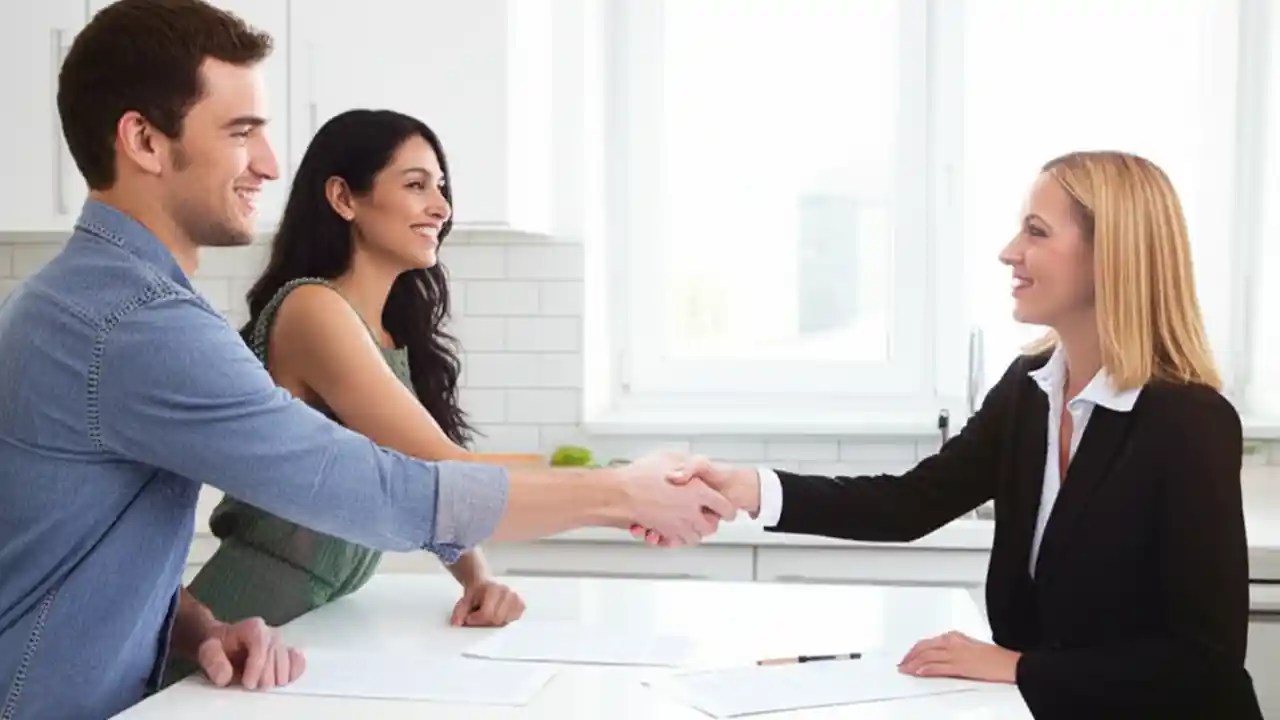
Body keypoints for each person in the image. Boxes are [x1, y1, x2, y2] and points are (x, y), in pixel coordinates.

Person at [0, 2, 732, 718]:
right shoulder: (135, 325)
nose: (268, 162)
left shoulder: (85, 302)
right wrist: (621, 494)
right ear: (145, 142)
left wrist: (199, 628)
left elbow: (76, 543)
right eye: (241, 131)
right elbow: (379, 490)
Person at [647, 151, 1263, 718]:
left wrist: (1019, 667)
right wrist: (749, 488)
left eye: (1037, 232)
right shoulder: (1030, 389)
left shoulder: (1188, 422)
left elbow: (1201, 662)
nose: (1009, 251)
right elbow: (910, 505)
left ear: (1111, 257)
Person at [169, 109, 532, 682]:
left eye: (441, 187)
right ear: (343, 198)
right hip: (247, 623)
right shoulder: (312, 310)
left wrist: (477, 580)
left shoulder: (386, 332)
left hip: (315, 626)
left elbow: (425, 475)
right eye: (416, 185)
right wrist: (616, 495)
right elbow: (446, 472)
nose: (441, 206)